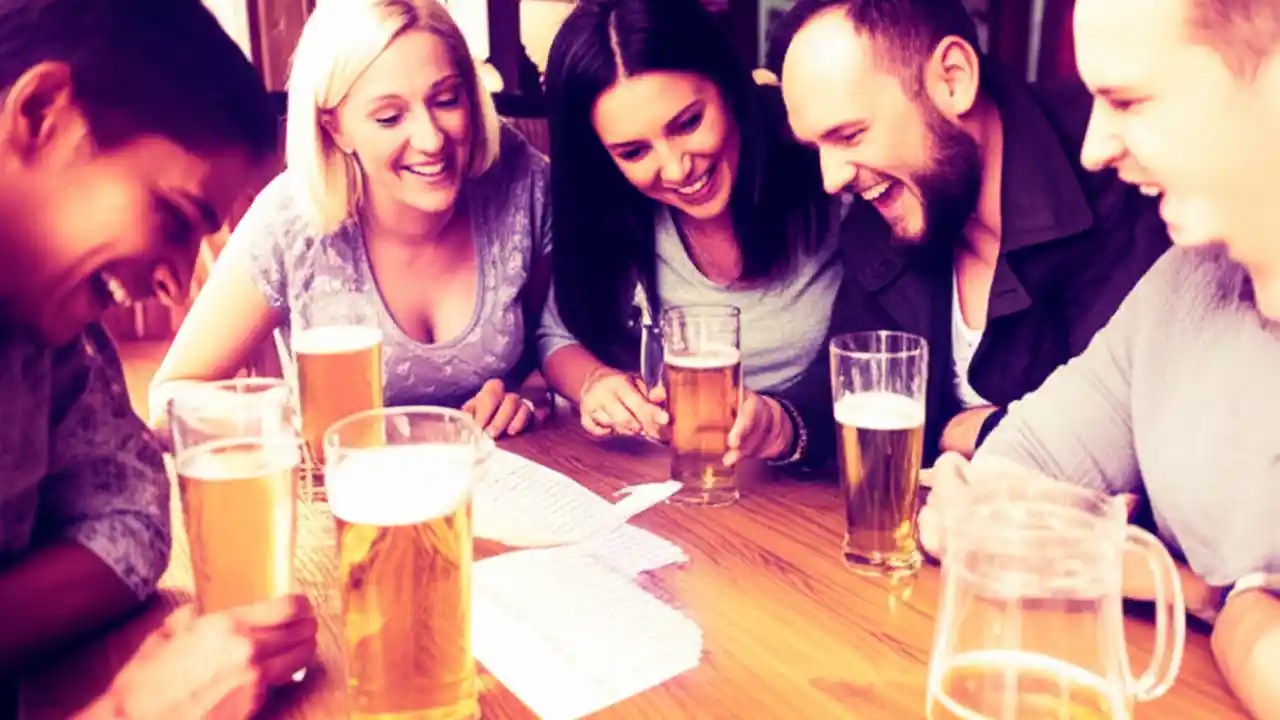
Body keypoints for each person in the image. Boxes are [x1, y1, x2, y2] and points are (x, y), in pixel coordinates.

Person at [918, 0, 1280, 715]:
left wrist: (1243, 611)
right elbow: (980, 501)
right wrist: (1212, 593)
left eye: (1129, 100)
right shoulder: (1187, 283)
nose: (1092, 148)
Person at [0, 0, 315, 716]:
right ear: (42, 112)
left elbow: (131, 520)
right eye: (174, 218)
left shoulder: (50, 337)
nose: (177, 286)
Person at [769, 0, 1171, 467]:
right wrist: (782, 423)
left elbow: (1131, 439)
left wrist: (984, 431)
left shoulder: (1122, 179)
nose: (831, 179)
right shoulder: (883, 211)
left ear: (953, 80)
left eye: (850, 135)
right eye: (816, 146)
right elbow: (858, 383)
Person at [151, 0, 553, 439]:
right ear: (334, 127)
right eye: (389, 117)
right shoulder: (290, 219)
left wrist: (526, 395)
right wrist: (287, 419)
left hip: (498, 480)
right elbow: (172, 395)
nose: (431, 138)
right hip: (346, 489)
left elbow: (548, 349)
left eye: (446, 99)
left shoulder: (522, 177)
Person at [539, 0, 843, 465]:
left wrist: (785, 422)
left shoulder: (830, 174)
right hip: (670, 490)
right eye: (634, 152)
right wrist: (595, 382)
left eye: (687, 123)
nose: (677, 169)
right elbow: (556, 335)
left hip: (814, 486)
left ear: (726, 86)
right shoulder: (613, 210)